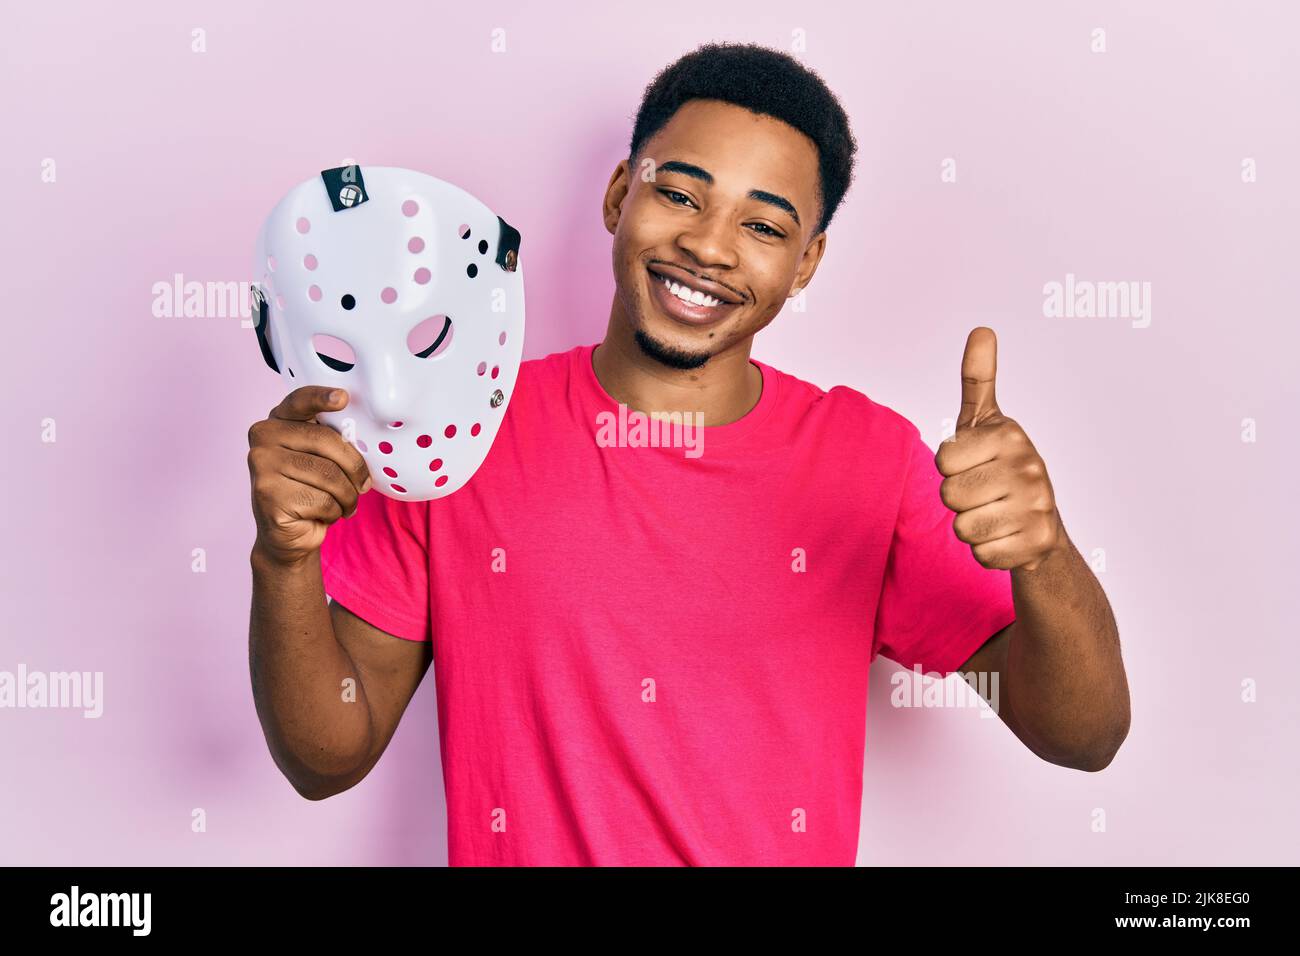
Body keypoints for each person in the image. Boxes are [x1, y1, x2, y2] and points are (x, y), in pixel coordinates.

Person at [246, 41, 1130, 866]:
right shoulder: (460, 428)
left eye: (765, 226)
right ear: (617, 197)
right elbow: (326, 758)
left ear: (807, 263)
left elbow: (1085, 736)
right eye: (679, 194)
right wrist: (284, 561)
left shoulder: (873, 462)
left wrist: (1044, 556)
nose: (708, 246)